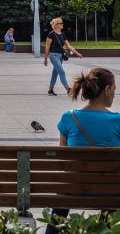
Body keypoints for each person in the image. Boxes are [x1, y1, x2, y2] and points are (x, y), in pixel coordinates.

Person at [44, 68, 119, 234]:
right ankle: (104, 229)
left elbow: (62, 162)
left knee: (64, 191)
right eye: (114, 89)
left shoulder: (68, 118)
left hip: (74, 189)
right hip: (110, 192)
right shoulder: (117, 121)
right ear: (107, 90)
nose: (115, 94)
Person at [44, 17, 83, 96]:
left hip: (60, 56)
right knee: (61, 71)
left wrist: (77, 53)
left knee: (55, 73)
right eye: (61, 23)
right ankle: (68, 89)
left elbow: (68, 46)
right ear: (56, 25)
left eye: (62, 23)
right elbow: (47, 47)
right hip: (53, 55)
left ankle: (50, 90)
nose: (62, 24)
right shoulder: (51, 34)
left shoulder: (62, 34)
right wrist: (45, 58)